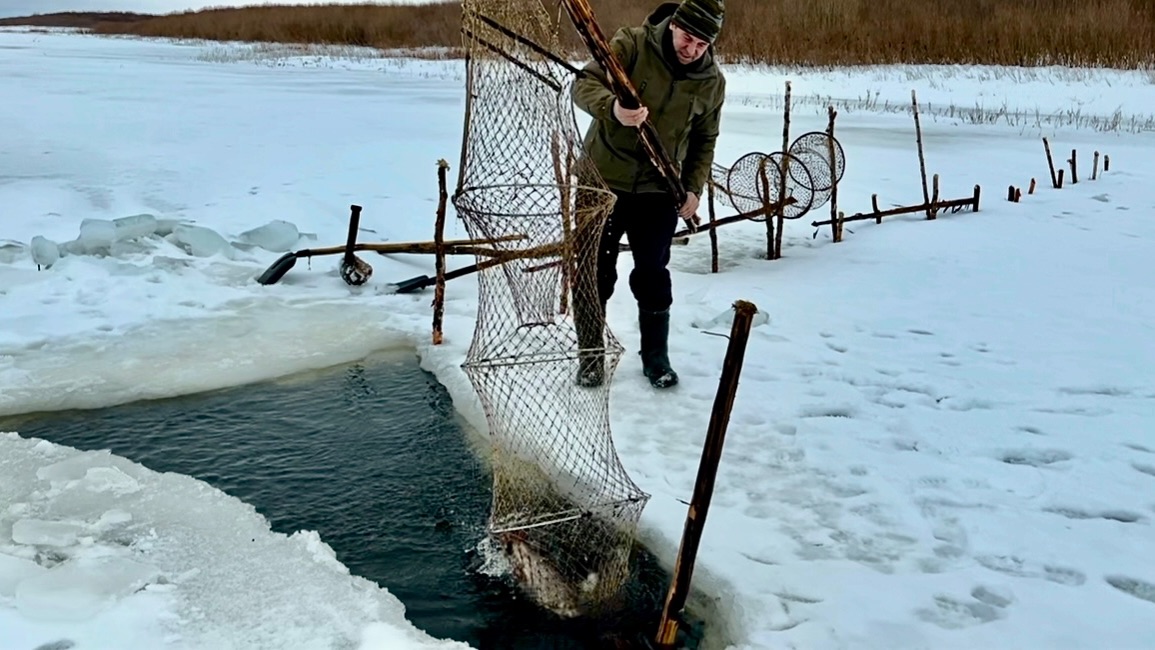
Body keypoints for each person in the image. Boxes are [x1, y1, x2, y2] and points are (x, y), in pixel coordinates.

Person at [571, 0, 726, 389]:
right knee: (593, 271)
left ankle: (656, 358)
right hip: (602, 180)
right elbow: (584, 83)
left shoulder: (711, 83)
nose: (691, 50)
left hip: (659, 188)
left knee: (653, 274)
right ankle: (591, 356)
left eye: (701, 45)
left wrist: (693, 187)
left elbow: (705, 139)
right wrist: (612, 109)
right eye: (687, 38)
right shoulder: (632, 45)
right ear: (674, 25)